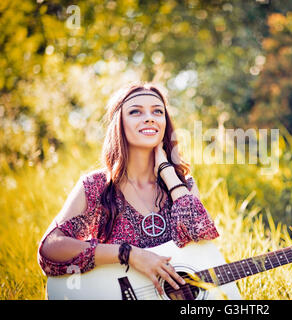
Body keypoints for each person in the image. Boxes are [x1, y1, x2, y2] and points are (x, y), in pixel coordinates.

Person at [37, 82, 219, 296]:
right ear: (119, 124)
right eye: (136, 111)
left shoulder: (181, 186)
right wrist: (129, 254)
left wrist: (168, 172)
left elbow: (201, 241)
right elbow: (50, 249)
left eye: (157, 111)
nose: (150, 118)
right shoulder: (95, 186)